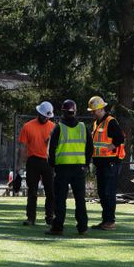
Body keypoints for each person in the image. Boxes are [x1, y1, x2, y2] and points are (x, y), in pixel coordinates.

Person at [46, 99, 89, 236]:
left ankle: (58, 227)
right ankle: (82, 227)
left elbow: (51, 149)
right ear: (75, 112)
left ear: (63, 112)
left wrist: (52, 164)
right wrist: (85, 164)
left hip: (62, 168)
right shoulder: (83, 127)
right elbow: (90, 148)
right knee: (80, 199)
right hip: (78, 168)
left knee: (60, 200)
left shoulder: (58, 128)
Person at [87, 95, 127, 230]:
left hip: (110, 163)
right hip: (101, 163)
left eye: (93, 110)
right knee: (102, 192)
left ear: (99, 109)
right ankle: (106, 220)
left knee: (108, 192)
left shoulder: (110, 122)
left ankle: (110, 221)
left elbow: (120, 138)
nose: (92, 113)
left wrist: (110, 148)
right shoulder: (97, 123)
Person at [17, 101, 57, 227]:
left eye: (48, 117)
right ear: (39, 113)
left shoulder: (54, 127)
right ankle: (30, 218)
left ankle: (50, 217)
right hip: (32, 161)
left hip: (47, 162)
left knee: (50, 191)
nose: (46, 118)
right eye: (44, 115)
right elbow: (22, 147)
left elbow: (57, 147)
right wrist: (19, 166)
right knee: (32, 191)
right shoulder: (27, 126)